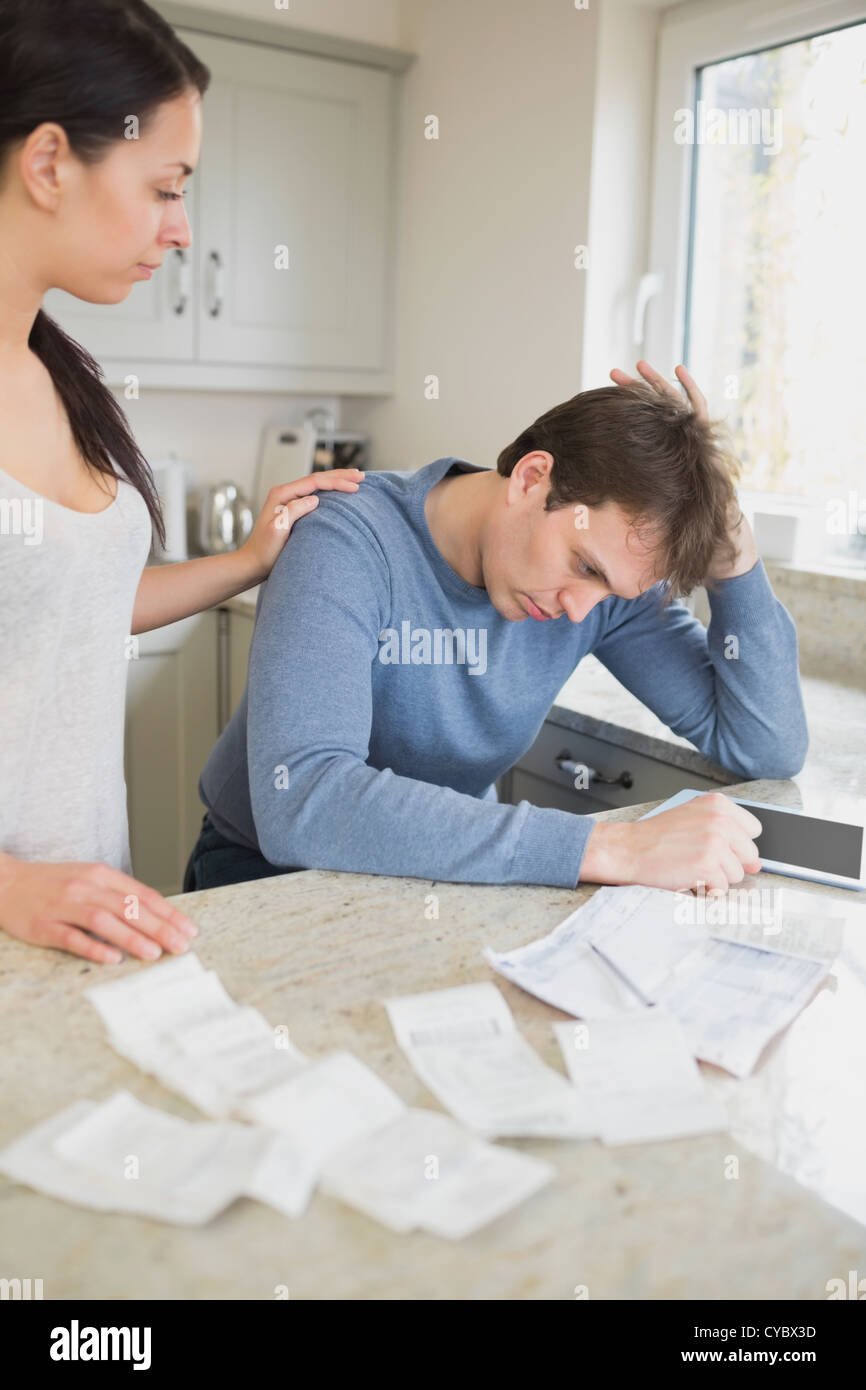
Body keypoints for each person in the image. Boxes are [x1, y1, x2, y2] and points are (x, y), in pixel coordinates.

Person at [0, 0, 364, 964]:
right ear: (47, 163)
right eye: (165, 188)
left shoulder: (49, 372)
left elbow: (74, 609)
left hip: (77, 911)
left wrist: (248, 560)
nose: (181, 228)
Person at [187, 361, 807, 894]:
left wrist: (737, 564)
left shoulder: (604, 587)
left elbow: (765, 745)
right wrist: (615, 848)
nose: (579, 610)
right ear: (533, 478)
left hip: (450, 874)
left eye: (611, 590)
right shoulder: (346, 537)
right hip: (267, 874)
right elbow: (304, 800)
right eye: (583, 565)